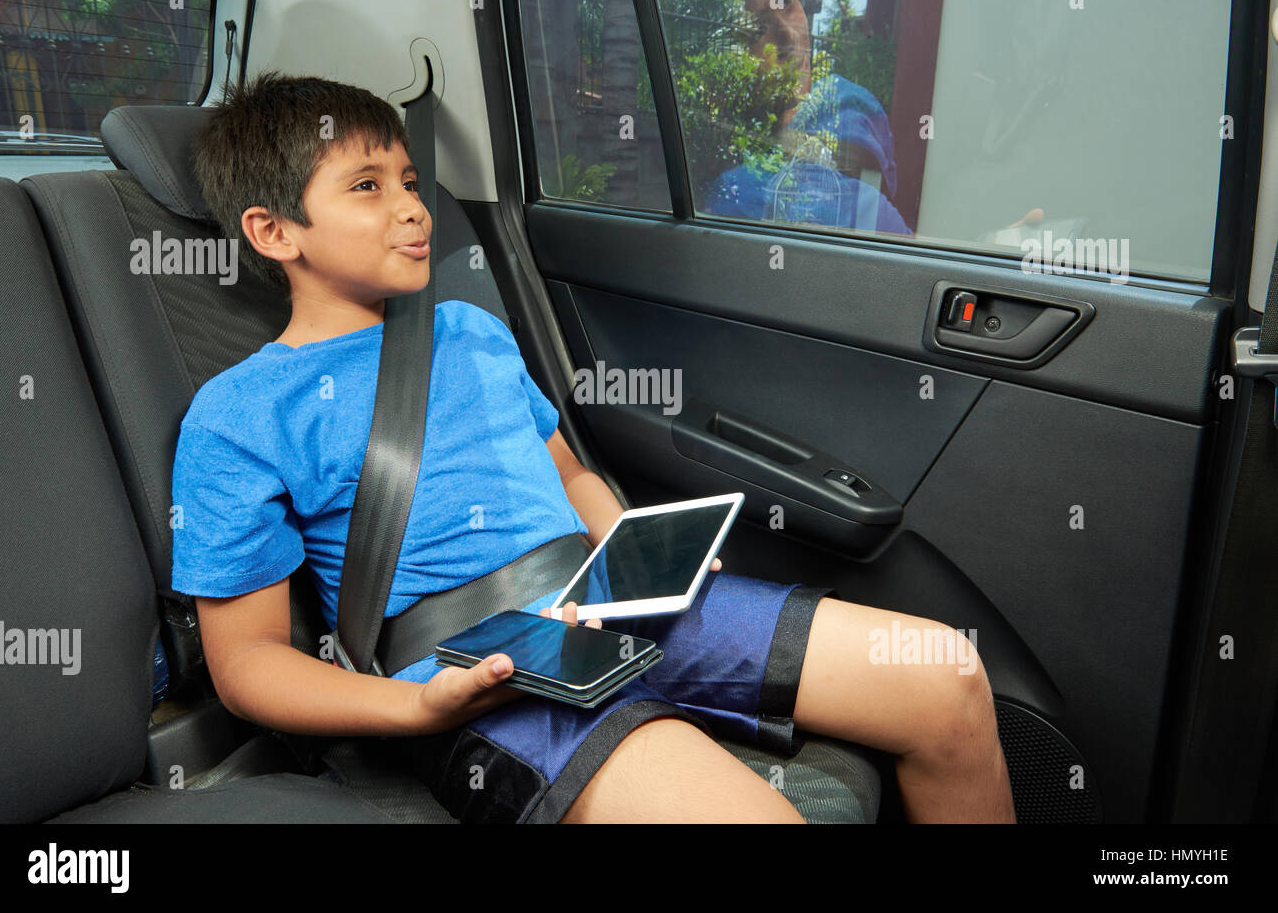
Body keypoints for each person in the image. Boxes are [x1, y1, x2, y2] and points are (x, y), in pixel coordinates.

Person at [172, 70, 1016, 824]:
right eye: (367, 185)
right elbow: (248, 663)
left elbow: (567, 467)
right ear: (275, 232)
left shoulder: (471, 329)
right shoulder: (239, 414)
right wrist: (413, 708)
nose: (412, 207)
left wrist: (627, 545)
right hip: (481, 665)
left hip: (611, 599)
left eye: (409, 179)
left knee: (947, 676)